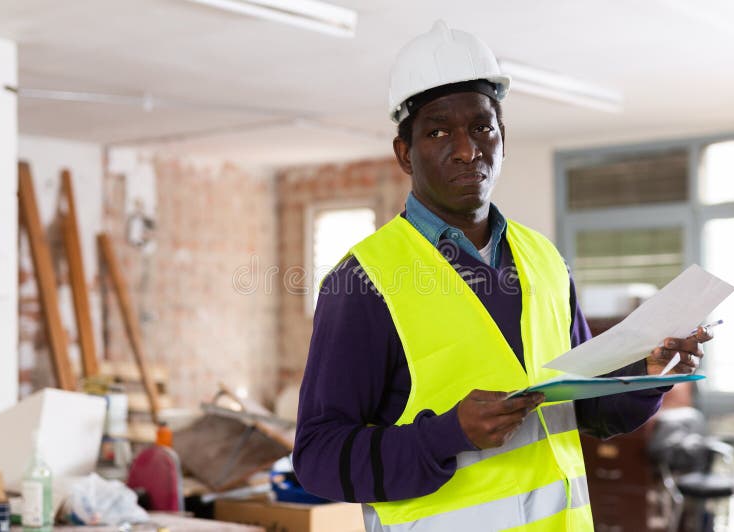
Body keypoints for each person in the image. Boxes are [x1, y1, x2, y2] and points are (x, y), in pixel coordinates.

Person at [293, 20, 712, 532]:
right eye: (438, 131)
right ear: (405, 152)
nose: (468, 150)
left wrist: (648, 374)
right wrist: (444, 435)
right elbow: (318, 457)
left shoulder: (545, 260)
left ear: (502, 137)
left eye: (482, 127)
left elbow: (586, 409)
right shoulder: (362, 282)